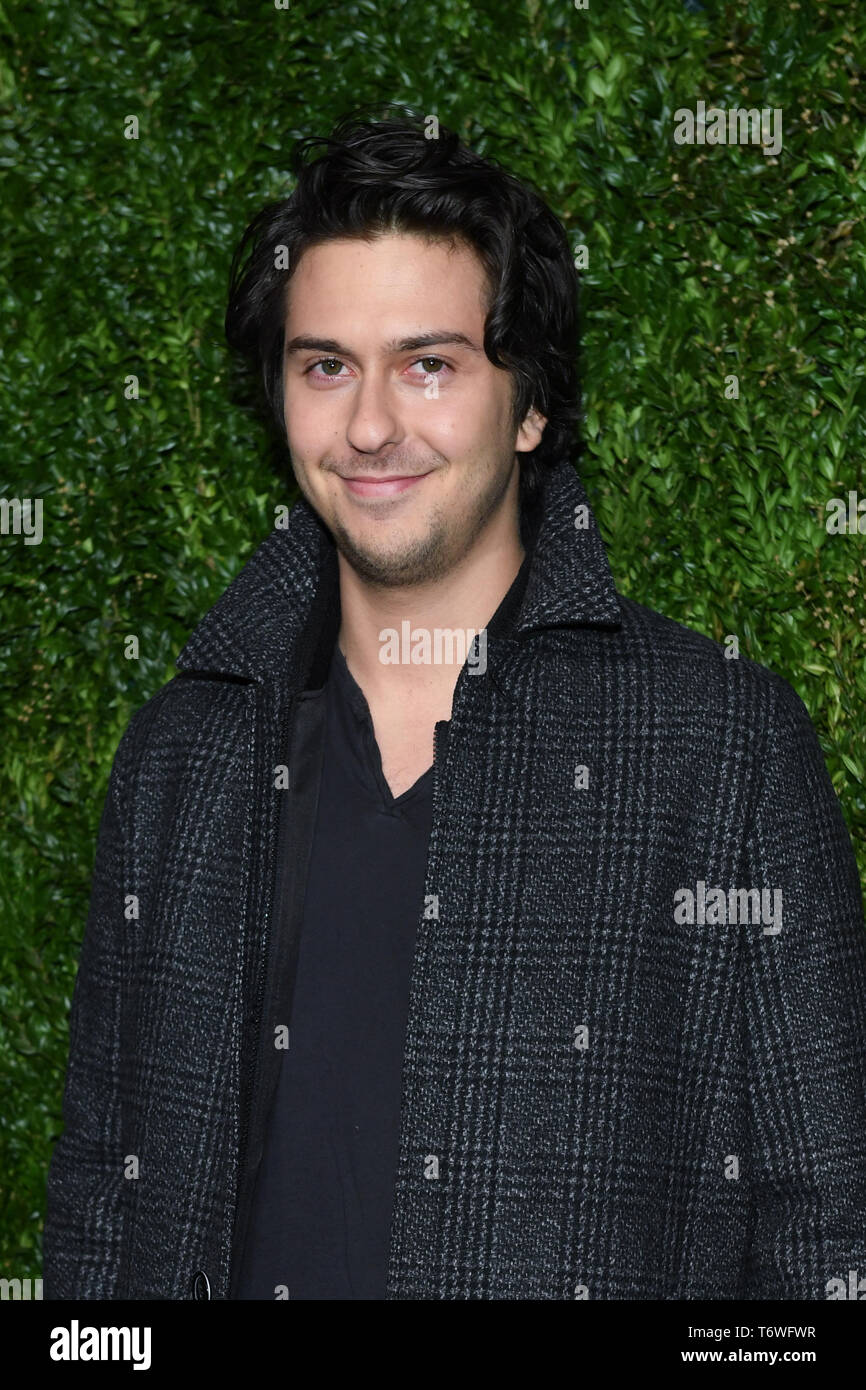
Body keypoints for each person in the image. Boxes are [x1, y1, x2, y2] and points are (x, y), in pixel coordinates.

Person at [43, 110, 866, 1301]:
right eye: (324, 364)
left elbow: (829, 1231)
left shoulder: (719, 748)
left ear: (528, 406)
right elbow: (99, 1213)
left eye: (428, 364)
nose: (369, 424)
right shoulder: (183, 753)